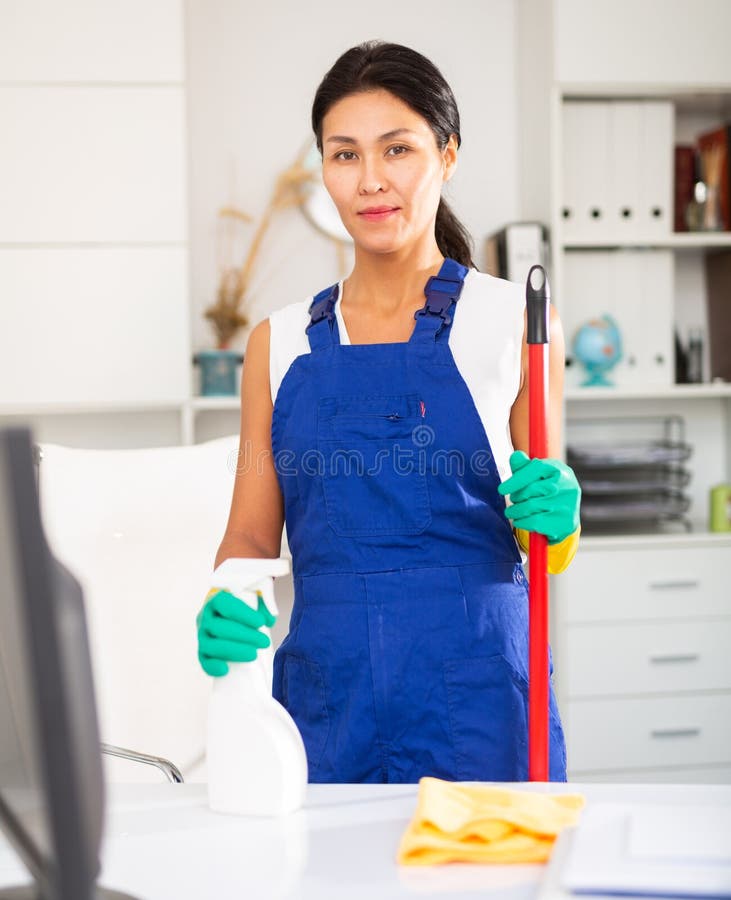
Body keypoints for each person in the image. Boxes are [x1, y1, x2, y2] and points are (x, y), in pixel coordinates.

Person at [196, 40, 581, 784]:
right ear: (323, 171)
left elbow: (543, 541)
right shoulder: (275, 345)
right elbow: (248, 535)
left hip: (481, 709)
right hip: (326, 705)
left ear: (447, 155)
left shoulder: (516, 323)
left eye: (396, 149)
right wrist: (224, 597)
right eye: (344, 156)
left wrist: (561, 525)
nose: (370, 181)